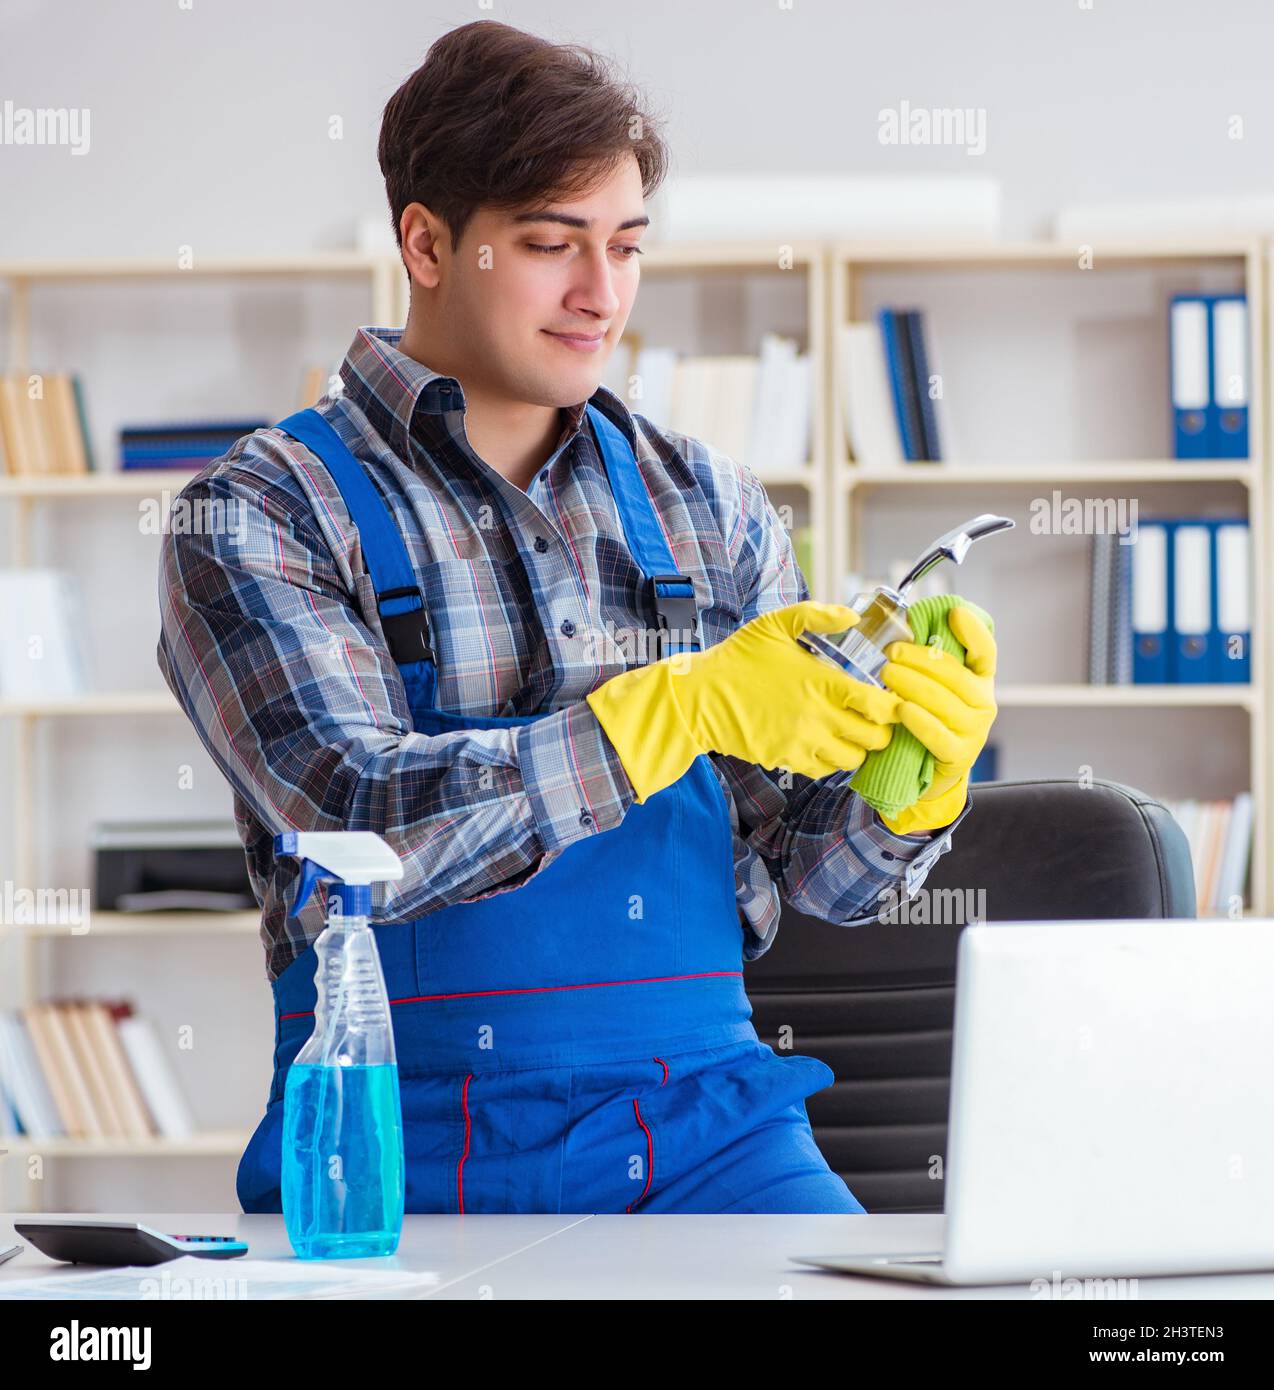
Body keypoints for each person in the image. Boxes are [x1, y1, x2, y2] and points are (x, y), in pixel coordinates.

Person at [156, 19, 995, 1215]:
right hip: (407, 1142)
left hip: (714, 1132)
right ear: (428, 242)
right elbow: (354, 827)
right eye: (551, 244)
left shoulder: (709, 506)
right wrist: (660, 711)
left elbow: (810, 874)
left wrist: (910, 785)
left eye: (626, 245)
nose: (600, 294)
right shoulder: (260, 516)